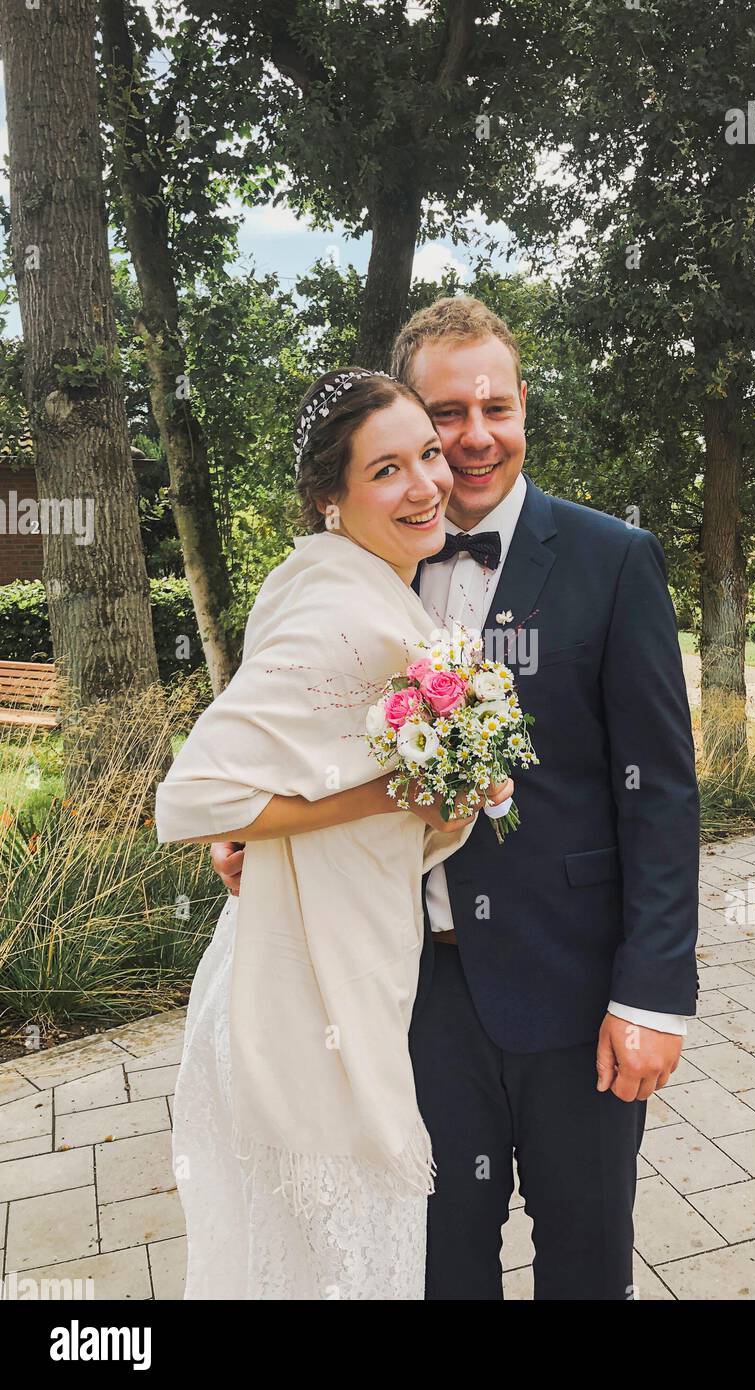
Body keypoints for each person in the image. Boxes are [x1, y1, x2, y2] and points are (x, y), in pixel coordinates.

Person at [214, 297, 700, 1300]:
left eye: (498, 406)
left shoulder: (614, 561)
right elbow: (302, 759)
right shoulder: (360, 572)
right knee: (433, 1268)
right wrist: (256, 838)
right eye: (446, 416)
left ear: (525, 407)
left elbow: (660, 796)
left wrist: (651, 993)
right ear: (409, 429)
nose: (477, 437)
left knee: (586, 1261)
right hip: (408, 997)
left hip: (578, 997)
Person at [155, 367, 510, 1299]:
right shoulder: (345, 607)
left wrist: (451, 789)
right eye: (387, 470)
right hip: (304, 995)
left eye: (427, 456)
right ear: (330, 498)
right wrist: (396, 792)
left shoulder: (356, 585)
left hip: (342, 967)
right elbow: (193, 797)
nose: (427, 484)